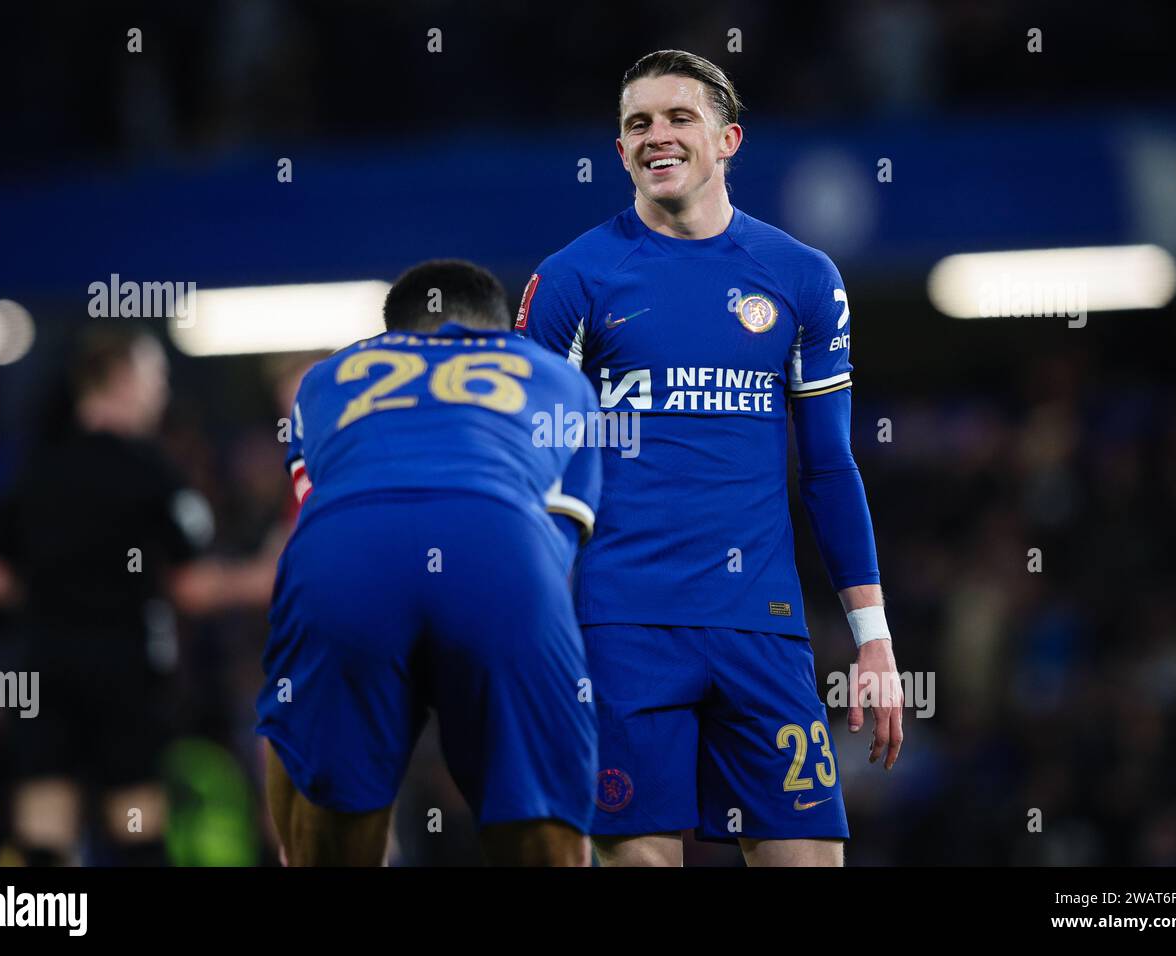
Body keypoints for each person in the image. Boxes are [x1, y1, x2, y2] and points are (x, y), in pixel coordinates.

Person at [520, 50, 904, 867]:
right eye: (637, 125)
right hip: (620, 626)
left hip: (761, 628)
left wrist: (873, 640)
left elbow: (829, 469)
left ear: (728, 138)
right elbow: (533, 468)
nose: (656, 135)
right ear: (620, 152)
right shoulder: (571, 280)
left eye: (677, 117)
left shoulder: (803, 277)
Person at [257, 259, 602, 866]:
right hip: (498, 550)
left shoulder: (326, 378)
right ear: (500, 334)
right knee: (543, 828)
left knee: (321, 819)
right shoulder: (557, 377)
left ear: (391, 338)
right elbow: (556, 547)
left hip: (346, 551)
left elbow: (322, 510)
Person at [0, 324, 270, 866]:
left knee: (44, 832)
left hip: (43, 673)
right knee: (137, 827)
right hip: (125, 676)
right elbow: (190, 587)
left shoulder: (34, 468)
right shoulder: (151, 470)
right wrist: (270, 576)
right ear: (120, 378)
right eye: (154, 374)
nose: (161, 390)